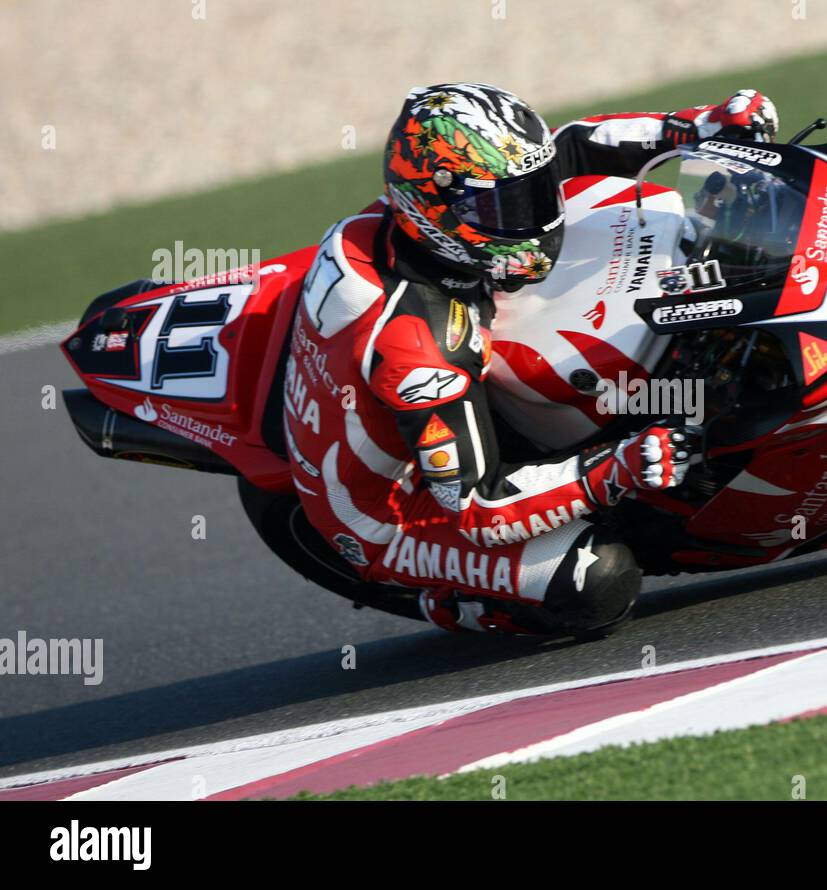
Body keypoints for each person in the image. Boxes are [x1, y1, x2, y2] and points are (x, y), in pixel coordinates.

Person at [283, 82, 778, 636]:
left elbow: (572, 147)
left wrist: (700, 127)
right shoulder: (424, 351)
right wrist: (616, 469)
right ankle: (450, 603)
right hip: (395, 512)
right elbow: (476, 508)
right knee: (596, 579)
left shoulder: (439, 211)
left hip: (379, 373)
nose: (541, 215)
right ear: (436, 210)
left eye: (537, 191)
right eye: (512, 205)